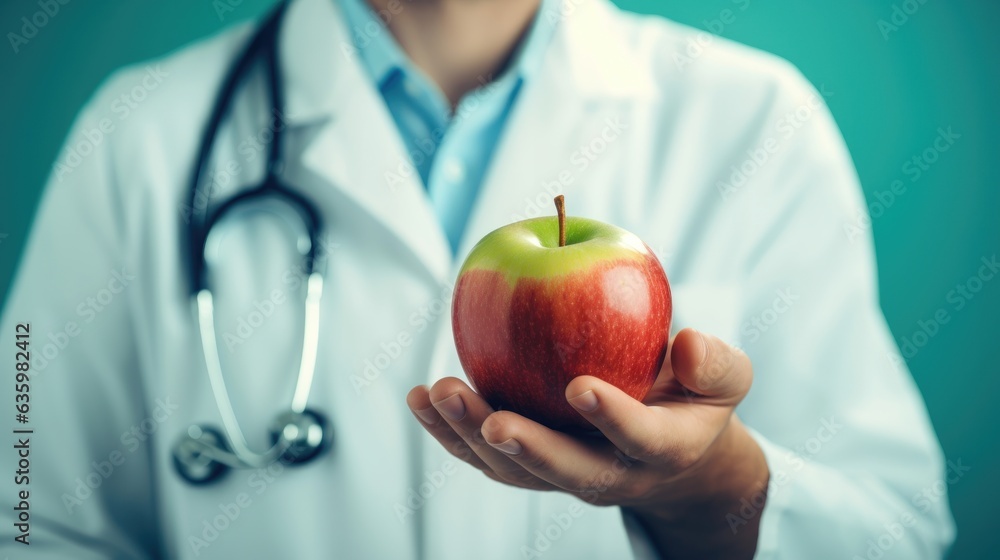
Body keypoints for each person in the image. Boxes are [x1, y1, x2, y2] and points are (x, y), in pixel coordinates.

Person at [0, 0, 955, 558]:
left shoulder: (755, 121)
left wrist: (711, 487)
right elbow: (24, 509)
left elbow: (896, 532)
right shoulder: (138, 137)